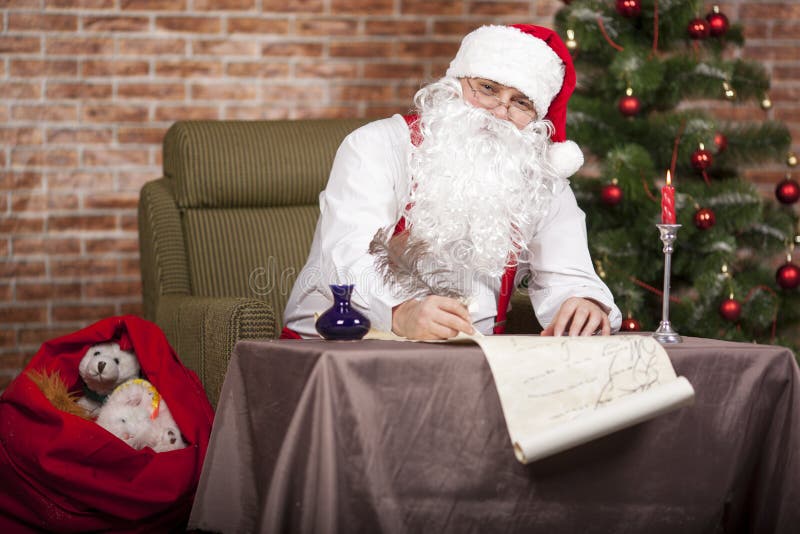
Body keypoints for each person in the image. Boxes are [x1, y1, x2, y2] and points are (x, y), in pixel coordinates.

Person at [283, 24, 622, 340]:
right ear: (455, 85)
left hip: (473, 357)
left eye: (521, 102)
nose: (499, 112)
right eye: (488, 89)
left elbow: (570, 274)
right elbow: (350, 256)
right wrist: (401, 311)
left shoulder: (539, 178)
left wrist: (584, 303)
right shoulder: (375, 146)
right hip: (350, 341)